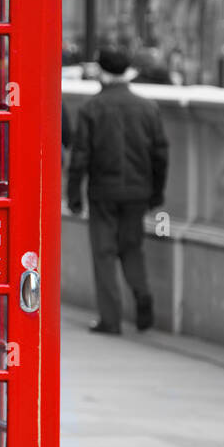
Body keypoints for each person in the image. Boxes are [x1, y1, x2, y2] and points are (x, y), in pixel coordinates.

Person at [67, 46, 169, 335]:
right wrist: (156, 192)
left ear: (102, 72)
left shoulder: (91, 109)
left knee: (104, 254)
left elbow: (80, 158)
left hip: (103, 192)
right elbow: (161, 154)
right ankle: (142, 295)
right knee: (132, 248)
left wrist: (74, 197)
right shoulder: (148, 108)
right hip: (138, 192)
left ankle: (110, 320)